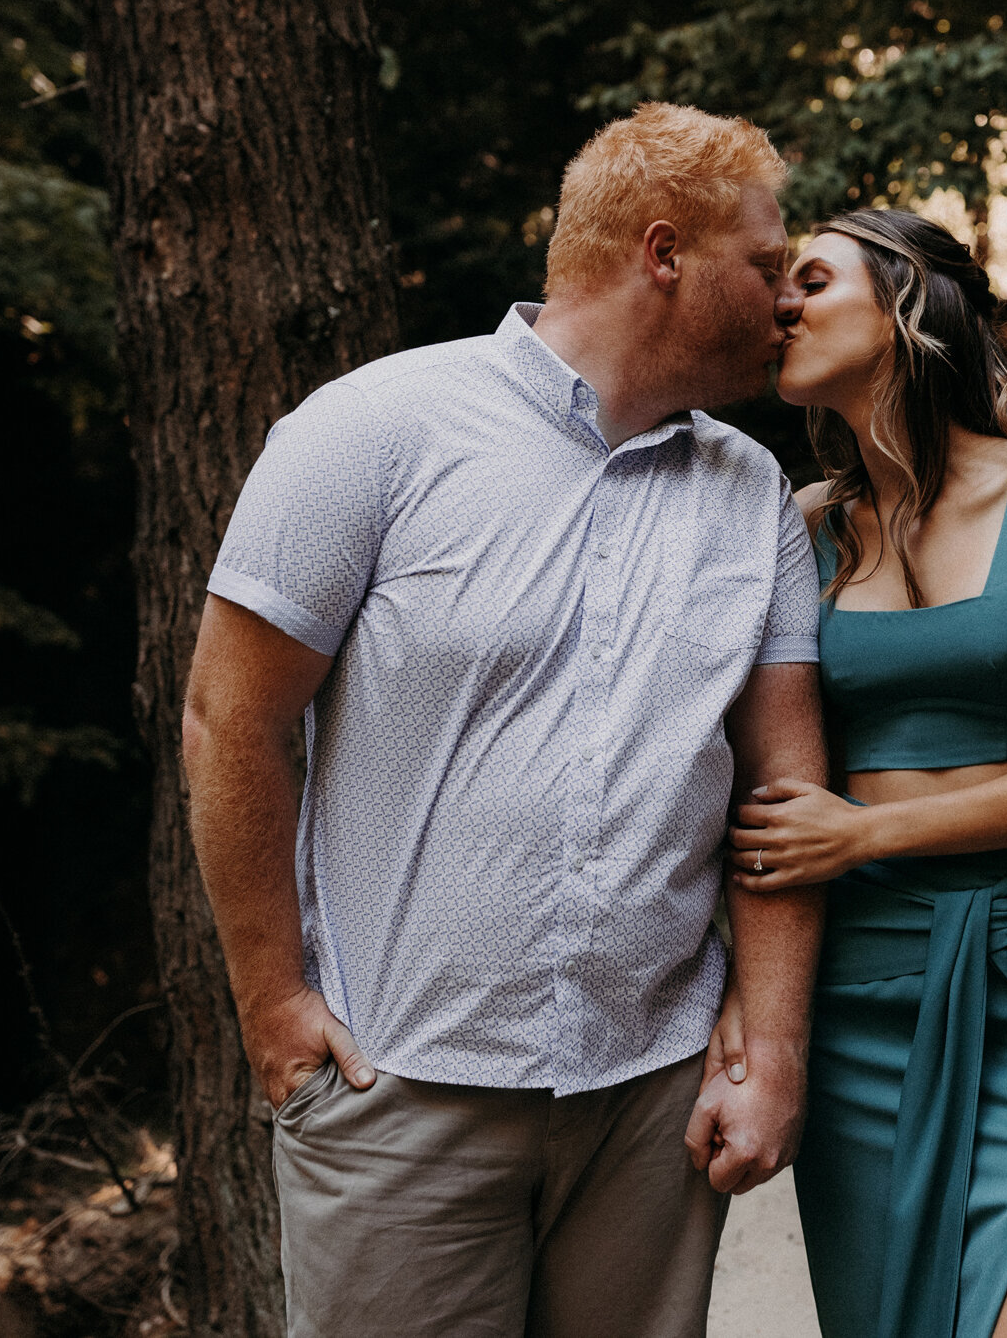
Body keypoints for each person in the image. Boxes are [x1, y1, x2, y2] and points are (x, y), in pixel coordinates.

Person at [180, 103, 830, 1338]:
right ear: (662, 253)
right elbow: (228, 721)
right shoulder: (370, 431)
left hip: (651, 1105)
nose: (784, 301)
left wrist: (774, 1042)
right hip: (401, 1093)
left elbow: (783, 785)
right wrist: (271, 1001)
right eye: (762, 265)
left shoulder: (748, 493)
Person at [728, 209, 1007, 1338]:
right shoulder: (800, 528)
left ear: (909, 303)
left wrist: (866, 832)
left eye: (812, 279)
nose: (783, 303)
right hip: (854, 989)